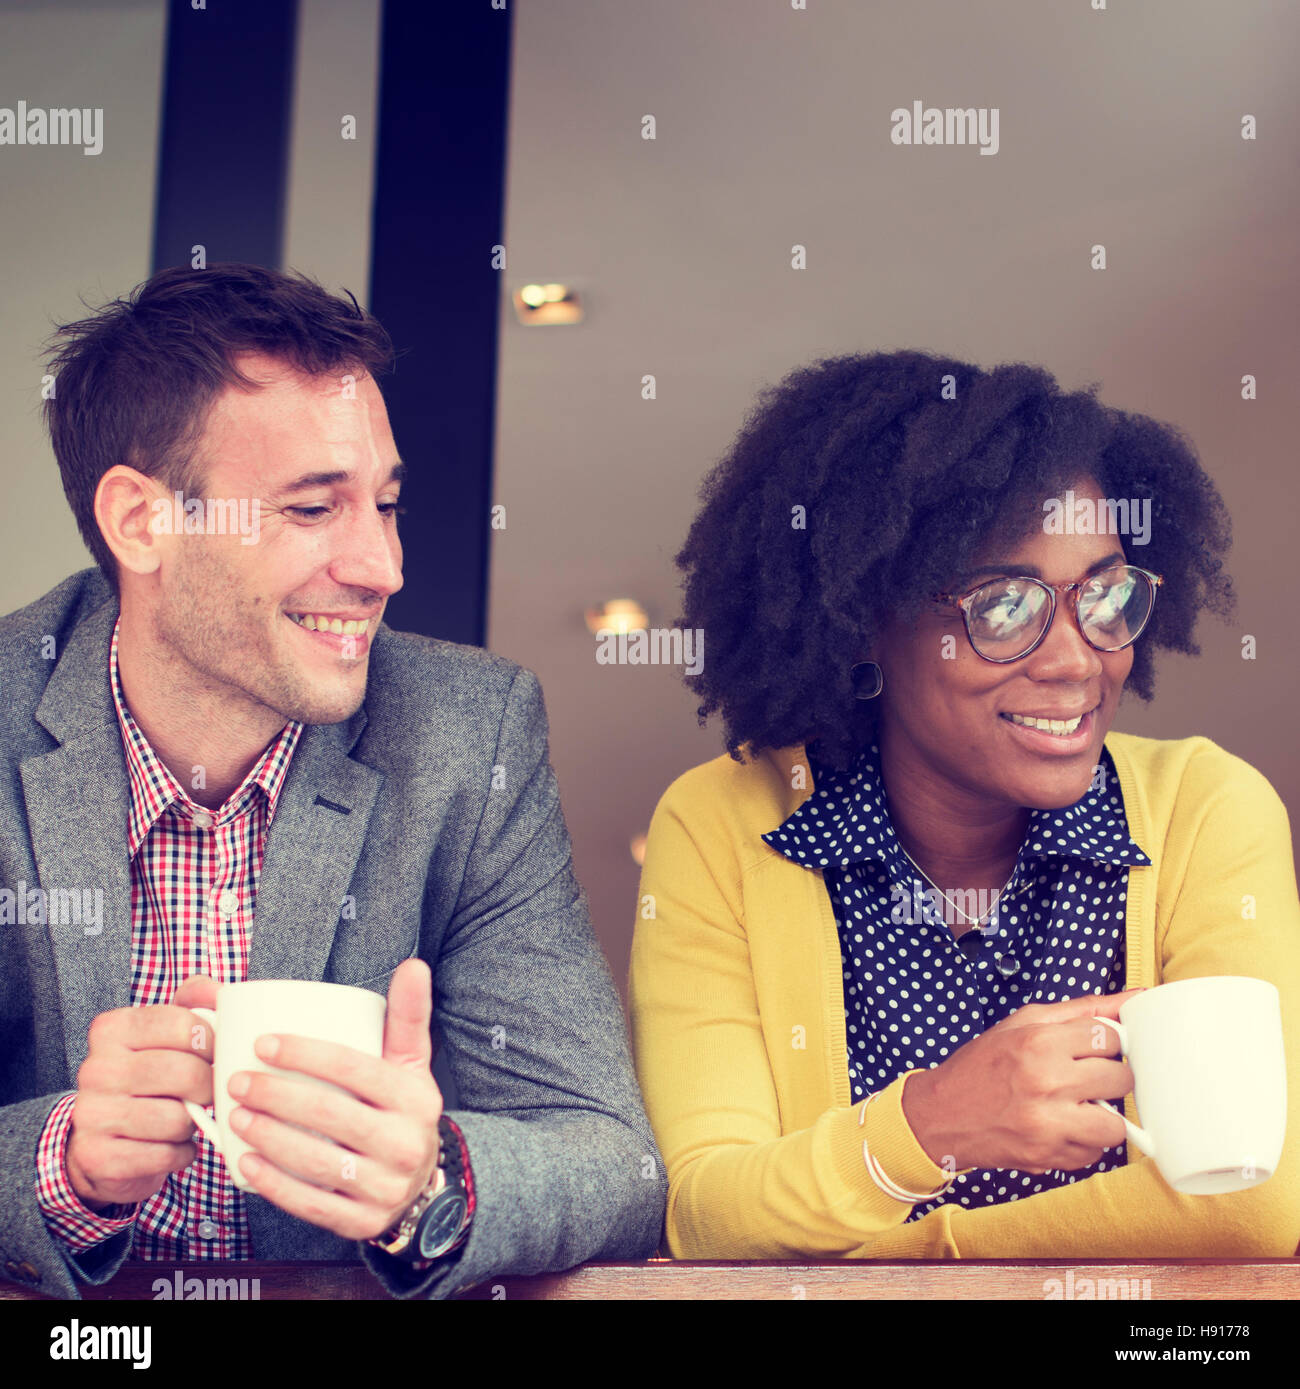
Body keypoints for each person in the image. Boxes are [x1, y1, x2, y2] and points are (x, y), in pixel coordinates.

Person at [0, 262, 665, 1300]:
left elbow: (613, 1163)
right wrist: (67, 1165)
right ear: (140, 521)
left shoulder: (468, 733)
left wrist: (432, 1179)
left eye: (386, 504)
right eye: (314, 509)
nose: (383, 566)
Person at [628, 349, 1300, 1258]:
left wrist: (906, 1253)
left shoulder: (1204, 809)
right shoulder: (724, 824)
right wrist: (936, 1121)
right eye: (1006, 606)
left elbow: (1250, 1202)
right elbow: (708, 1213)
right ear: (865, 615)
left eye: (1103, 594)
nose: (1076, 658)